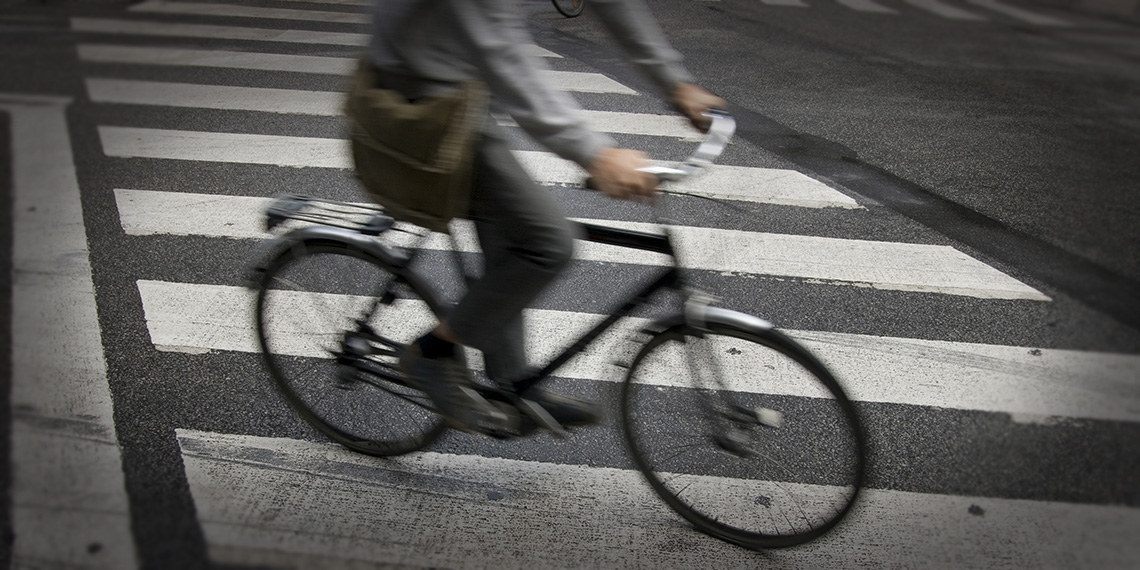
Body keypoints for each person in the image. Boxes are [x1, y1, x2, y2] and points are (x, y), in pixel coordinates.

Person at [372, 0, 726, 433]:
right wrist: (596, 153)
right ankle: (431, 353)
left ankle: (513, 388)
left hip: (462, 84)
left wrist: (676, 83)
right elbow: (503, 54)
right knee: (547, 243)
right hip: (420, 101)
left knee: (513, 239)